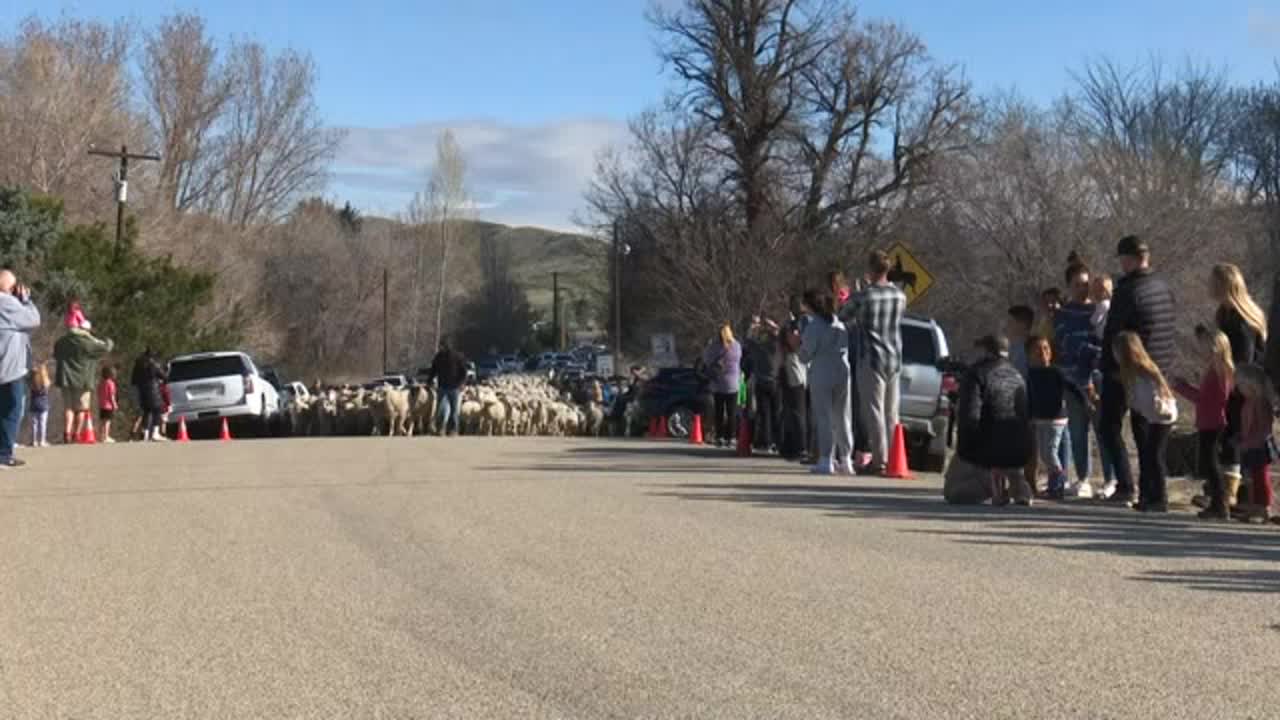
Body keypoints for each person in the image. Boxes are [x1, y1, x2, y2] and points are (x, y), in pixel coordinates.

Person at [1098, 236, 1176, 505]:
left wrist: (1107, 366)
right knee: (1147, 433)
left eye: (1122, 259)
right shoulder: (1163, 287)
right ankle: (1152, 491)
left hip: (1127, 366)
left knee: (1108, 425)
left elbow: (1113, 332)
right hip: (1158, 366)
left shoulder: (1128, 290)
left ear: (1129, 258)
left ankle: (1127, 485)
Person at [945, 335, 1032, 506]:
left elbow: (970, 415)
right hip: (1018, 448)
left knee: (953, 493)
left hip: (988, 446)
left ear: (985, 351)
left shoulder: (976, 374)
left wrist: (966, 449)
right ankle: (1020, 488)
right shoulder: (1018, 376)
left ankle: (991, 486)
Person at [844, 250, 906, 474]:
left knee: (874, 411)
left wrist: (858, 291)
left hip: (871, 357)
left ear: (870, 270)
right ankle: (893, 457)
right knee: (892, 411)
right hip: (894, 358)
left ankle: (879, 460)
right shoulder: (900, 296)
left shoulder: (863, 297)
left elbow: (843, 316)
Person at [1210, 263, 1267, 508]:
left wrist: (1234, 384)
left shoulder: (1241, 320)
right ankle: (1238, 492)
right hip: (1231, 382)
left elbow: (1245, 357)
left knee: (1236, 436)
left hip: (1246, 386)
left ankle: (1232, 492)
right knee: (1232, 436)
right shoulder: (1224, 314)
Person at [1113, 331, 1178, 512]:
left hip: (1161, 417)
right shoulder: (1132, 373)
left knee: (1155, 457)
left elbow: (1153, 396)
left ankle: (1160, 498)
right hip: (1152, 417)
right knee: (1149, 457)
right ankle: (1149, 496)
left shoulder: (1144, 371)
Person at [1174, 329, 1234, 521]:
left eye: (1207, 346)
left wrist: (1181, 388)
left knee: (1211, 464)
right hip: (1208, 420)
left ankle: (1220, 503)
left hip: (1214, 421)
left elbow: (1205, 399)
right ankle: (1218, 503)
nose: (1203, 350)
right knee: (1208, 463)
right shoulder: (1214, 369)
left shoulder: (1220, 371)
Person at [1026, 335, 1088, 499]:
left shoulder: (1056, 372)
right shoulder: (1030, 374)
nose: (1042, 353)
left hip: (1056, 418)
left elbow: (1074, 387)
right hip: (1039, 418)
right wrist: (1029, 415)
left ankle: (1059, 482)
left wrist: (1086, 402)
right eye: (1037, 350)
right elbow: (1029, 397)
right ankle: (1055, 484)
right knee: (1044, 453)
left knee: (1049, 453)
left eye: (1046, 348)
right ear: (1029, 354)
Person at [799, 290, 853, 475]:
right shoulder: (840, 324)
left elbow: (805, 355)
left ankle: (826, 459)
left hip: (822, 371)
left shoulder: (814, 327)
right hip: (843, 370)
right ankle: (846, 459)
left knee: (824, 417)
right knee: (843, 416)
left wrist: (798, 346)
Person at [1055, 263, 1096, 488]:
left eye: (1085, 284)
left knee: (1102, 430)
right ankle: (1083, 478)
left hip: (1096, 378)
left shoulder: (1098, 311)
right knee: (1078, 431)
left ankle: (1111, 480)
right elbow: (1064, 343)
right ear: (1069, 286)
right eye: (1077, 284)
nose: (1083, 288)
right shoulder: (1062, 314)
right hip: (1070, 379)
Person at [53, 310, 113, 444]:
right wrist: (97, 338)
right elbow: (107, 347)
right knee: (81, 409)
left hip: (65, 379)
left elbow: (55, 353)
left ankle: (67, 434)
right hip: (83, 380)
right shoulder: (88, 343)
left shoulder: (62, 341)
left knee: (68, 408)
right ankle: (76, 434)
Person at [0, 270, 40, 467]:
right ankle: (3, 454)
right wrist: (25, 300)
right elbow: (33, 320)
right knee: (13, 410)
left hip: (7, 366)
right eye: (13, 286)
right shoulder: (6, 302)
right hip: (9, 369)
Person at [1233, 364, 1276, 524]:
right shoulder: (1249, 402)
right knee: (1249, 479)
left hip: (1259, 446)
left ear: (1252, 384)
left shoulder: (1261, 403)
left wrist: (1253, 441)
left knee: (1261, 477)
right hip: (1249, 445)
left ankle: (1264, 507)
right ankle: (1253, 506)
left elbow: (1265, 427)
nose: (1240, 389)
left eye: (1242, 385)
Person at [701, 323, 742, 448]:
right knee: (732, 412)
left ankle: (719, 437)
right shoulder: (736, 346)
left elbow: (706, 360)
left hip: (718, 384)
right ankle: (732, 437)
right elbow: (740, 358)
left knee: (719, 412)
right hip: (734, 384)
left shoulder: (715, 347)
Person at [743, 319, 780, 453]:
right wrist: (773, 325)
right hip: (775, 382)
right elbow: (778, 334)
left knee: (764, 414)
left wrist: (753, 326)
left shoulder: (758, 348)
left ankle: (767, 442)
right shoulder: (775, 347)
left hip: (761, 382)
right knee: (776, 413)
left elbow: (747, 341)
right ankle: (777, 442)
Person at [427, 338, 469, 436]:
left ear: (446, 346)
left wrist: (462, 383)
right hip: (442, 386)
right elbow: (433, 370)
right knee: (440, 409)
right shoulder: (439, 357)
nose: (440, 348)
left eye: (441, 346)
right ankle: (440, 429)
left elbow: (464, 371)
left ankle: (453, 430)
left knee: (454, 410)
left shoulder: (457, 356)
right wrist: (429, 381)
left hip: (454, 387)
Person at [778, 320, 808, 461]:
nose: (793, 335)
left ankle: (801, 446)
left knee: (798, 415)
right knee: (791, 415)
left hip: (798, 381)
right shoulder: (785, 348)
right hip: (790, 379)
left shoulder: (799, 346)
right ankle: (791, 445)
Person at [133, 349, 168, 442]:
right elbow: (164, 377)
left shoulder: (138, 366)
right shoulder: (153, 365)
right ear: (151, 356)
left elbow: (133, 380)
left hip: (142, 393)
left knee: (146, 411)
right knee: (157, 410)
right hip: (153, 392)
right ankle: (155, 433)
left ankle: (145, 433)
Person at [1005, 306, 1035, 378]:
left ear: (1022, 325)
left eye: (1010, 322)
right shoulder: (1013, 349)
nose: (1006, 326)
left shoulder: (1028, 352)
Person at [28, 362, 51, 448]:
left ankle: (34, 441)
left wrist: (33, 372)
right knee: (43, 424)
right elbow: (48, 386)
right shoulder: (46, 382)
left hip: (34, 404)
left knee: (34, 424)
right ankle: (42, 440)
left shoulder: (32, 383)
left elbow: (28, 381)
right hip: (44, 405)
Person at [98, 366, 118, 443]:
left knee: (102, 421)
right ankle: (106, 436)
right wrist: (114, 404)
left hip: (102, 405)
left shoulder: (101, 383)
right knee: (107, 422)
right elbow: (111, 395)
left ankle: (101, 436)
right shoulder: (111, 383)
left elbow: (99, 392)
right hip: (108, 406)